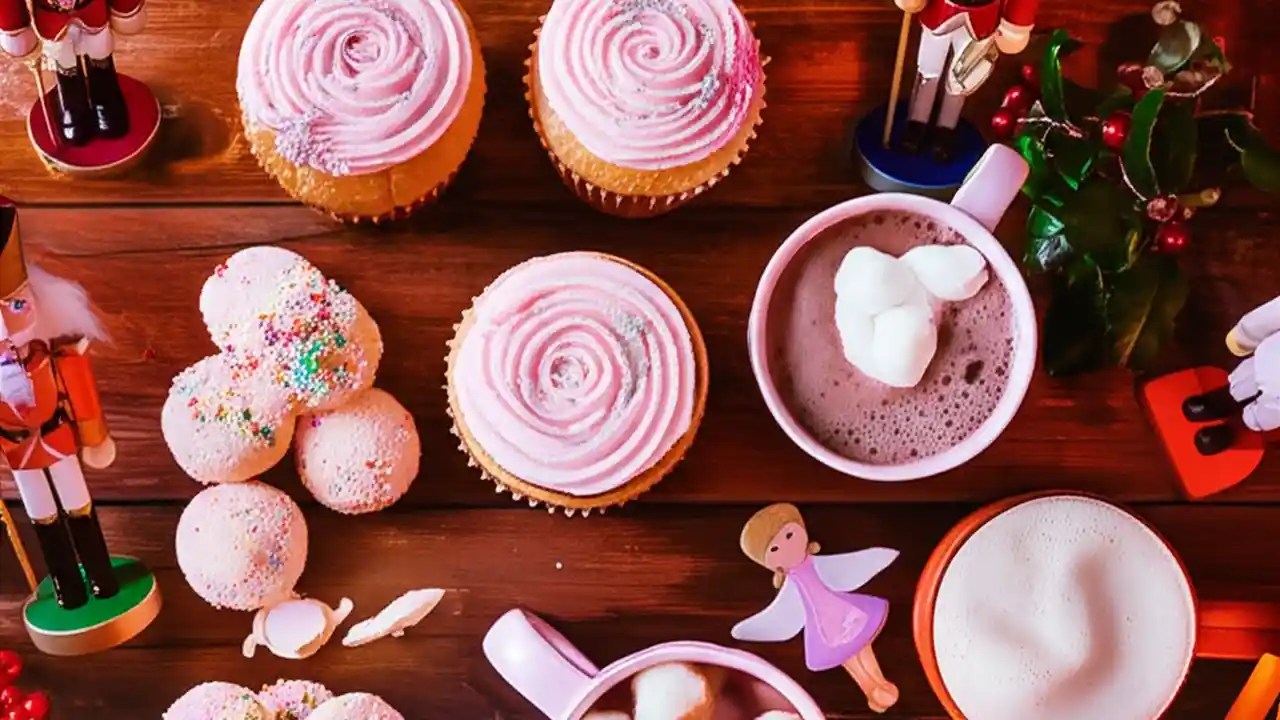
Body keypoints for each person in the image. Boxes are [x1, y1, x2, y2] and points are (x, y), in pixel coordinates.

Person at [0, 197, 118, 610]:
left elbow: (79, 391)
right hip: (17, 452)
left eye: (16, 306)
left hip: (58, 439)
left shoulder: (55, 357)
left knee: (78, 506)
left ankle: (102, 577)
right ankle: (68, 587)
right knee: (42, 517)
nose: (5, 325)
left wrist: (94, 436)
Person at [733, 503, 900, 714]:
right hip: (823, 625)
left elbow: (851, 565)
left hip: (844, 611)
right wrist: (750, 628)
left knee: (863, 646)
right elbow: (779, 614)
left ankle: (879, 683)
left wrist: (877, 558)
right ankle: (870, 688)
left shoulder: (819, 564)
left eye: (789, 535)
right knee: (849, 658)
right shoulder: (791, 585)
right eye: (774, 549)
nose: (787, 547)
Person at [893, 0, 1038, 161]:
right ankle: (917, 122)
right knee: (929, 69)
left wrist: (1016, 22)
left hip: (982, 18)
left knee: (962, 78)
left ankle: (945, 129)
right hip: (940, 11)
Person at [0, 0, 148, 145]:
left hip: (91, 9)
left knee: (99, 50)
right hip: (52, 16)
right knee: (64, 57)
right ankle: (72, 105)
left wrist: (125, 6)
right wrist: (15, 26)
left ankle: (105, 98)